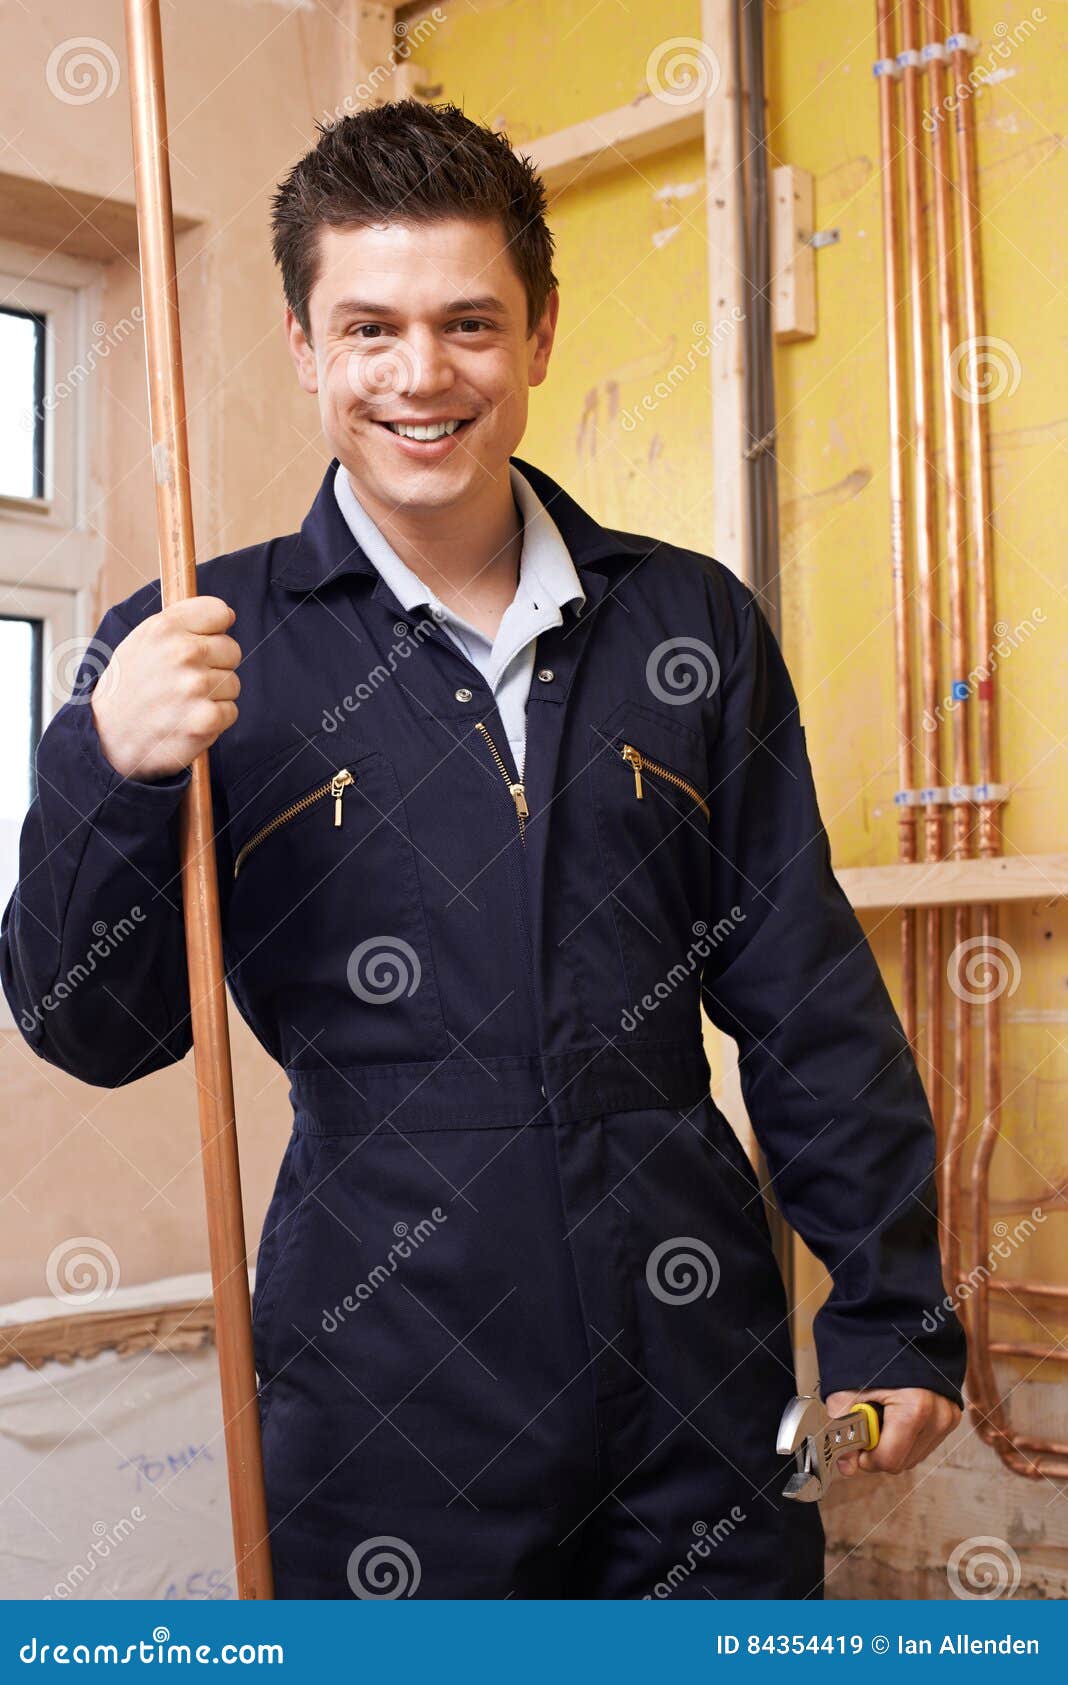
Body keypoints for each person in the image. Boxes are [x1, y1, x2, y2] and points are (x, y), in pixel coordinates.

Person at [0, 99, 964, 1600]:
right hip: (384, 1376)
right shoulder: (199, 647)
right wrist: (109, 773)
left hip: (690, 1350)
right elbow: (92, 1027)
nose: (421, 375)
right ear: (306, 345)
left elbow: (800, 982)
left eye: (468, 322)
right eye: (370, 328)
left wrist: (893, 1301)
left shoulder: (686, 624)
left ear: (540, 330)